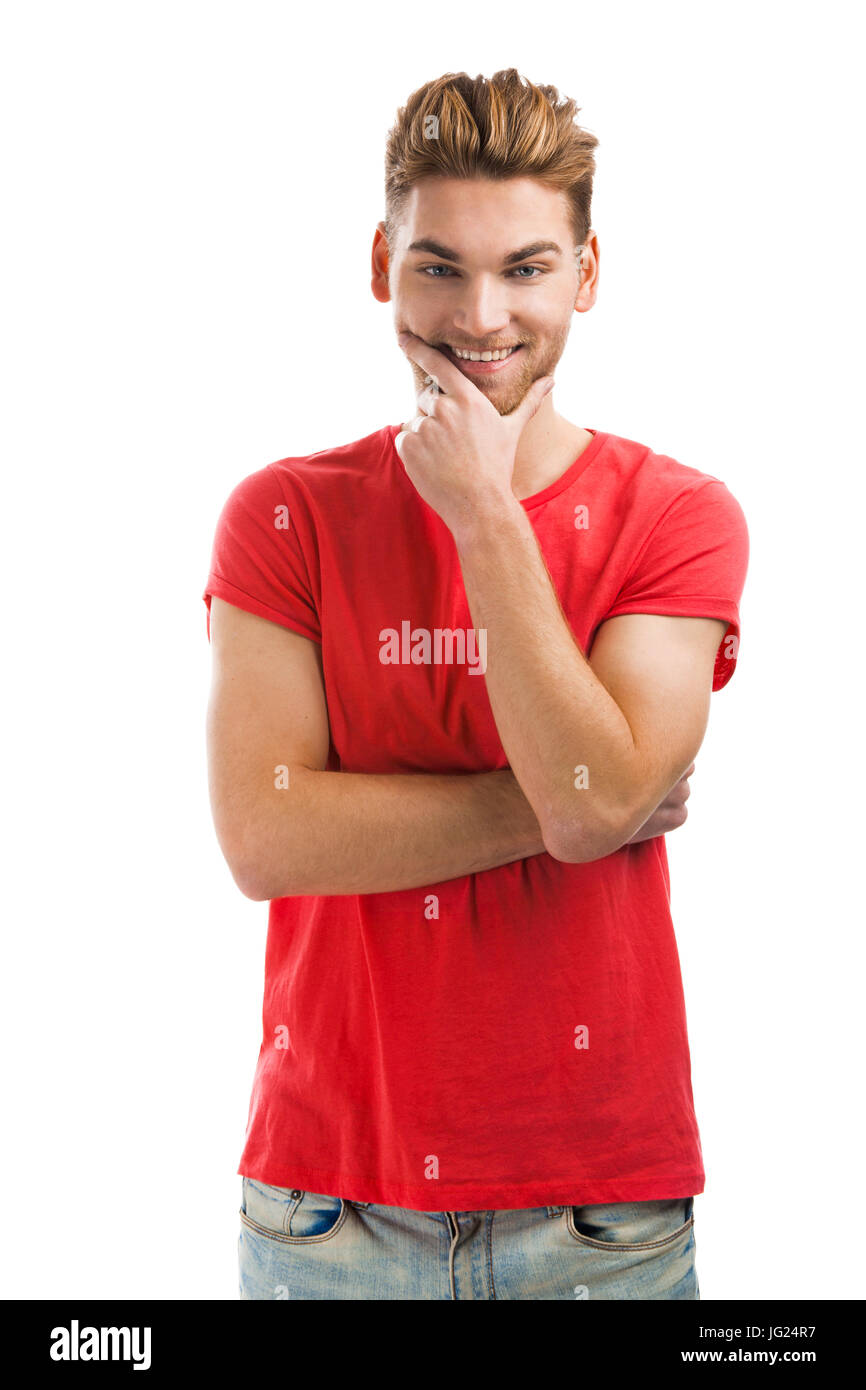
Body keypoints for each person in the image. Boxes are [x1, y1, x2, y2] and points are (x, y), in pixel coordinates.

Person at [203, 68, 749, 1301]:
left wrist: (484, 518)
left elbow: (594, 794)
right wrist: (565, 811)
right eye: (438, 266)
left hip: (597, 1212)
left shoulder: (676, 517)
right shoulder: (284, 516)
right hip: (326, 1204)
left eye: (527, 268)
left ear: (588, 274)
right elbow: (265, 832)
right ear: (381, 263)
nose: (481, 313)